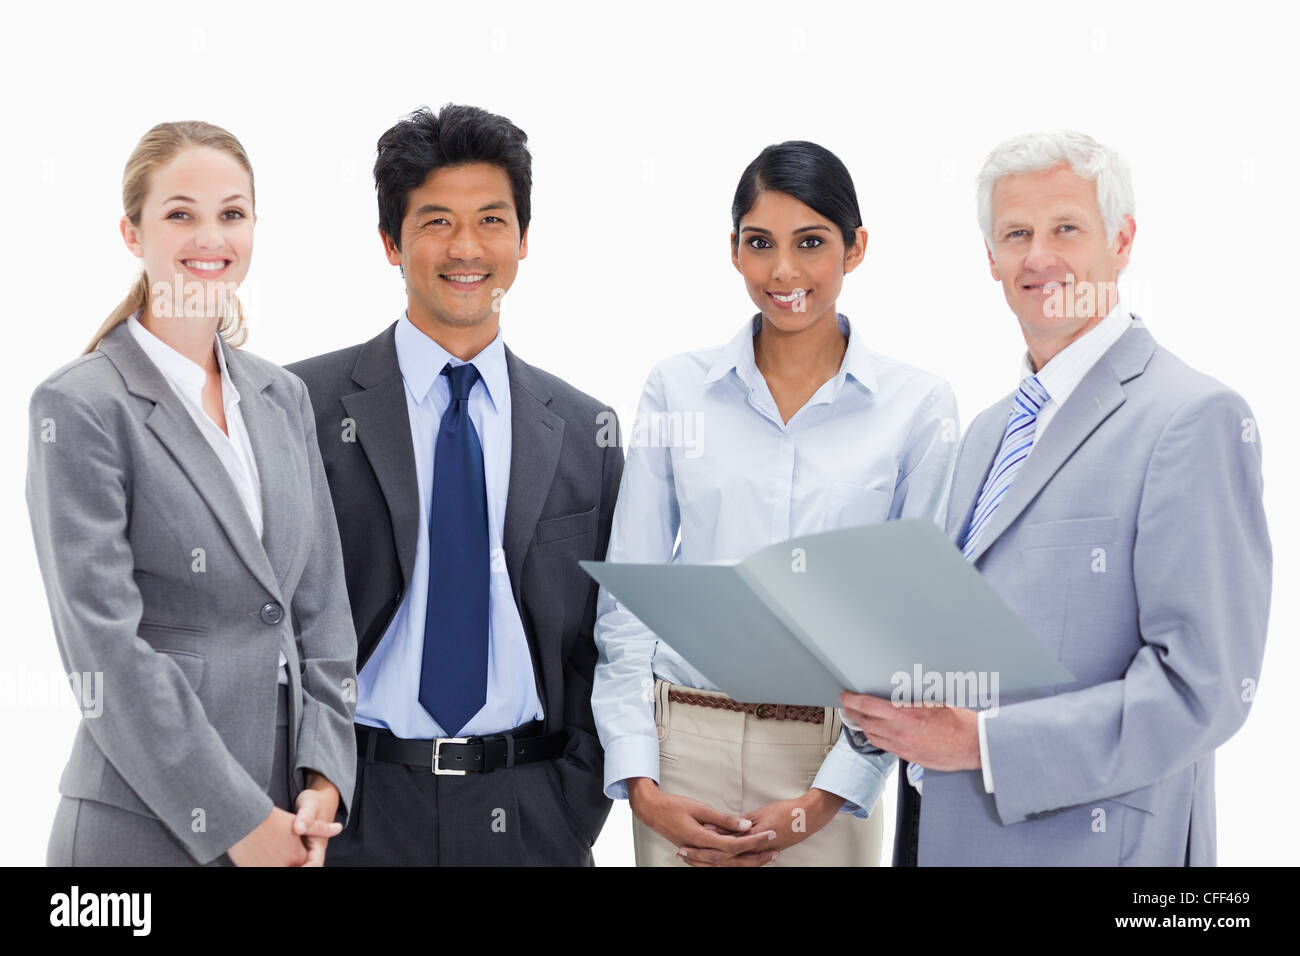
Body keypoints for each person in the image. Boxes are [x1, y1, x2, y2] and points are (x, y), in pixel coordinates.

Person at [840, 129, 1272, 866]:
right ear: (991, 259)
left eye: (1065, 228)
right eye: (1016, 234)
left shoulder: (1191, 418)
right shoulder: (985, 433)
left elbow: (1202, 689)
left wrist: (984, 744)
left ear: (1122, 241)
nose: (1038, 257)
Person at [593, 140, 959, 866]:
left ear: (855, 249)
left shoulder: (918, 407)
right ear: (733, 250)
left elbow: (913, 628)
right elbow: (630, 599)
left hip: (828, 760)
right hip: (680, 752)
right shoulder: (677, 389)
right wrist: (642, 782)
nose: (784, 271)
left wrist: (829, 796)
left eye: (812, 243)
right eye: (760, 243)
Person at [287, 104, 623, 866]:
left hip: (532, 807)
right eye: (436, 221)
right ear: (390, 242)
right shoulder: (299, 405)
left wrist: (573, 804)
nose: (466, 248)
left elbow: (604, 642)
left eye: (492, 221)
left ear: (524, 240)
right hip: (356, 805)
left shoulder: (584, 429)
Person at [27, 121, 358, 867]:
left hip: (291, 813)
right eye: (181, 213)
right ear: (130, 231)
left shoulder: (284, 397)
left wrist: (326, 774)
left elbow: (321, 610)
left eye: (232, 213)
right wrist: (241, 823)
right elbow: (103, 650)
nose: (211, 235)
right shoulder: (81, 405)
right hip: (142, 820)